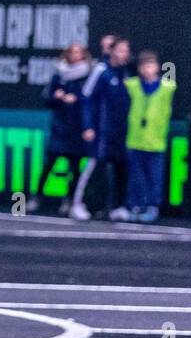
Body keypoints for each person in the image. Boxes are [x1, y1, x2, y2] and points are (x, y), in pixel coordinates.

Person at [72, 36, 132, 221]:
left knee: (121, 168)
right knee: (92, 166)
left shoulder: (127, 74)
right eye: (120, 50)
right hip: (101, 132)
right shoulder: (101, 70)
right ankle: (77, 204)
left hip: (121, 132)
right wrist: (88, 126)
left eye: (126, 51)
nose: (124, 54)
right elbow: (86, 98)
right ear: (112, 51)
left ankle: (118, 207)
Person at [29, 42, 92, 215]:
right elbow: (46, 98)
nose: (75, 55)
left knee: (74, 168)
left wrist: (76, 99)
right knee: (49, 164)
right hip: (60, 129)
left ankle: (69, 201)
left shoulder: (87, 76)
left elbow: (89, 100)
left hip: (77, 130)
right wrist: (57, 97)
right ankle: (36, 197)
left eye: (78, 52)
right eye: (72, 52)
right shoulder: (58, 76)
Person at [125, 51, 175, 223]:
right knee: (136, 177)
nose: (148, 69)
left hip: (156, 142)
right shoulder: (131, 85)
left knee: (154, 177)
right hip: (135, 140)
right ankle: (135, 206)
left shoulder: (167, 87)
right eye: (144, 66)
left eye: (151, 65)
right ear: (139, 68)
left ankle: (153, 206)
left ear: (157, 67)